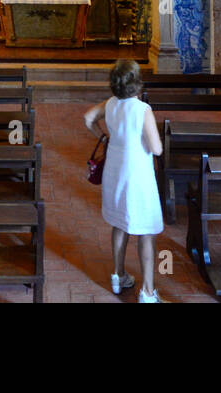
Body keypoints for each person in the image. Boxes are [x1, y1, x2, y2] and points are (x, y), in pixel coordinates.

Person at [83, 60, 165, 302]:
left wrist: (105, 138)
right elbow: (157, 149)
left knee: (120, 224)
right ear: (137, 83)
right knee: (146, 232)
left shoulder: (110, 104)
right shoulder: (142, 110)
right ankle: (148, 293)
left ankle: (119, 276)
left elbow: (88, 117)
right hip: (137, 176)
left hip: (115, 171)